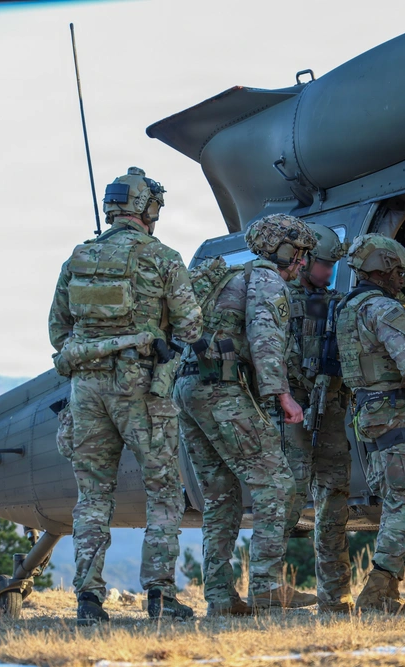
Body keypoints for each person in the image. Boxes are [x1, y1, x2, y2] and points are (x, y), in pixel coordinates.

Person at [48, 167, 206, 625]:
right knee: (163, 493)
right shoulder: (162, 258)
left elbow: (59, 331)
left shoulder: (78, 258)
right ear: (145, 209)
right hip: (140, 390)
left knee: (93, 498)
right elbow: (192, 327)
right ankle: (159, 597)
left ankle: (88, 602)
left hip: (85, 390)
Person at [173, 213, 318, 614]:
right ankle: (268, 591)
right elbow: (264, 336)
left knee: (221, 495)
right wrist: (282, 394)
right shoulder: (268, 279)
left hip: (188, 388)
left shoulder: (233, 276)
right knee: (276, 485)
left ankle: (220, 598)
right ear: (286, 250)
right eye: (301, 253)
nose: (303, 263)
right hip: (221, 389)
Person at [336, 234, 405, 614]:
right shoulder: (384, 309)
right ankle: (376, 594)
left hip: (367, 412)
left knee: (395, 500)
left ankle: (387, 593)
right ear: (381, 269)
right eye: (397, 271)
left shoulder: (348, 309)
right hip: (395, 411)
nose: (401, 278)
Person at [280, 223, 354, 613]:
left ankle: (335, 595)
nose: (329, 272)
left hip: (330, 410)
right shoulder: (278, 298)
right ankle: (267, 588)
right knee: (288, 497)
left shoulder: (337, 302)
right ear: (304, 260)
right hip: (290, 411)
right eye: (324, 264)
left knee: (334, 498)